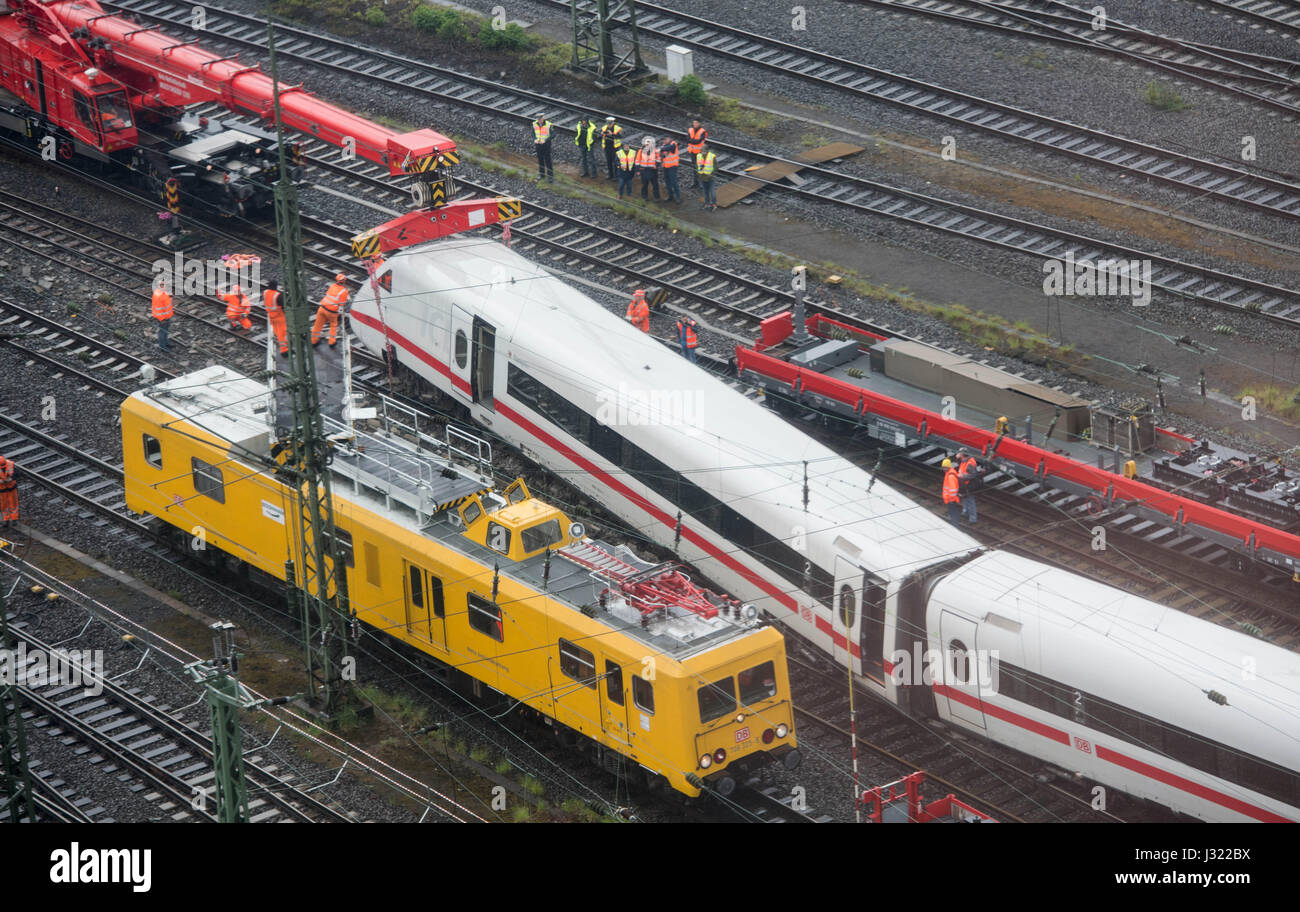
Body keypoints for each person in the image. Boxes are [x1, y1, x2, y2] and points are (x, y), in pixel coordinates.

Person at [312, 273, 349, 347]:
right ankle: (332, 342)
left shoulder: (332, 286)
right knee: (333, 325)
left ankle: (313, 341)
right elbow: (341, 305)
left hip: (322, 308)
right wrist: (340, 313)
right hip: (331, 312)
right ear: (344, 281)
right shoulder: (344, 291)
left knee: (317, 325)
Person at [264, 280, 288, 357]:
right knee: (282, 334)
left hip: (271, 316)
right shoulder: (277, 295)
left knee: (277, 332)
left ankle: (283, 346)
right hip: (279, 316)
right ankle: (284, 351)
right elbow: (284, 305)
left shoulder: (265, 292)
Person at [957, 448, 979, 524]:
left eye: (959, 453)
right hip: (964, 485)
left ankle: (973, 519)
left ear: (962, 454)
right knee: (965, 498)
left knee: (970, 501)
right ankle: (965, 512)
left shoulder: (969, 463)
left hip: (969, 485)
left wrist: (963, 476)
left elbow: (973, 475)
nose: (958, 454)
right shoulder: (964, 461)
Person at [150, 281, 173, 351]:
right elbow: (158, 309)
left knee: (165, 331)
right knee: (162, 331)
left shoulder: (163, 292)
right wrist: (161, 319)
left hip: (166, 316)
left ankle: (166, 343)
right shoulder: (158, 295)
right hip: (162, 318)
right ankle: (162, 346)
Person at [636, 137, 660, 201]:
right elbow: (637, 161)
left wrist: (656, 166)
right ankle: (644, 197)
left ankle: (656, 197)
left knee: (655, 185)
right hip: (644, 170)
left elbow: (658, 159)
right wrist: (638, 170)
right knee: (644, 185)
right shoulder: (640, 151)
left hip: (653, 170)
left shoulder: (655, 150)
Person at [532, 112, 554, 181]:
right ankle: (542, 175)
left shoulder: (549, 124)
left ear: (543, 118)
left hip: (546, 145)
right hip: (538, 145)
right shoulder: (534, 124)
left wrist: (545, 140)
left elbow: (553, 135)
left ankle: (550, 177)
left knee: (548, 161)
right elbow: (533, 133)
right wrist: (535, 139)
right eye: (538, 119)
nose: (539, 120)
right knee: (540, 160)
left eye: (540, 119)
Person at [659, 136, 681, 203]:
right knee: (667, 182)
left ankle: (678, 198)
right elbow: (663, 155)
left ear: (669, 139)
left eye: (665, 139)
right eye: (663, 140)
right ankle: (670, 196)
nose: (664, 141)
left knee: (673, 182)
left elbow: (669, 148)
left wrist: (661, 149)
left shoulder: (673, 144)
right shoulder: (664, 145)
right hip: (665, 167)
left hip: (672, 166)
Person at [686, 118, 707, 189]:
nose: (694, 124)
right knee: (694, 168)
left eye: (696, 123)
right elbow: (687, 139)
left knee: (700, 167)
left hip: (699, 153)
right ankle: (696, 183)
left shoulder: (703, 131)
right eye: (694, 123)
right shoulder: (690, 129)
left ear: (699, 123)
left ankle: (702, 183)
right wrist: (693, 141)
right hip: (692, 152)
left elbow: (698, 141)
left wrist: (691, 141)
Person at [696, 142, 717, 210]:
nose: (703, 153)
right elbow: (697, 166)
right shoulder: (698, 156)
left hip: (710, 177)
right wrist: (699, 173)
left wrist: (712, 174)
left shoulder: (712, 156)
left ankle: (714, 204)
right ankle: (707, 203)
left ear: (707, 151)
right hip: (702, 177)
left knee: (712, 191)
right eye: (702, 151)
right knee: (705, 191)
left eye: (704, 151)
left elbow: (716, 167)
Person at [601, 116, 623, 180]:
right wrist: (602, 134)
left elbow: (620, 136)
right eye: (608, 123)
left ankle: (616, 176)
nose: (609, 124)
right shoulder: (604, 128)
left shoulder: (618, 128)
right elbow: (601, 136)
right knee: (608, 162)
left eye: (610, 123)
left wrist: (612, 134)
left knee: (615, 162)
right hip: (607, 147)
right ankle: (610, 175)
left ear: (613, 122)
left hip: (614, 148)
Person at [941, 458, 961, 527]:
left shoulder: (950, 476)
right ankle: (955, 524)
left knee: (953, 513)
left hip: (951, 500)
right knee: (953, 512)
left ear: (948, 467)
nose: (943, 469)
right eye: (943, 467)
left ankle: (955, 526)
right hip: (950, 499)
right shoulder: (949, 473)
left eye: (945, 467)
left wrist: (951, 499)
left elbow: (953, 490)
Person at [0, 456, 17, 525]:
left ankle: (14, 519)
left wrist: (11, 478)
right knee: (4, 504)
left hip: (11, 487)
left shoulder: (10, 464)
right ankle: (6, 519)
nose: (3, 468)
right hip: (2, 489)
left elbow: (17, 474)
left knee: (14, 503)